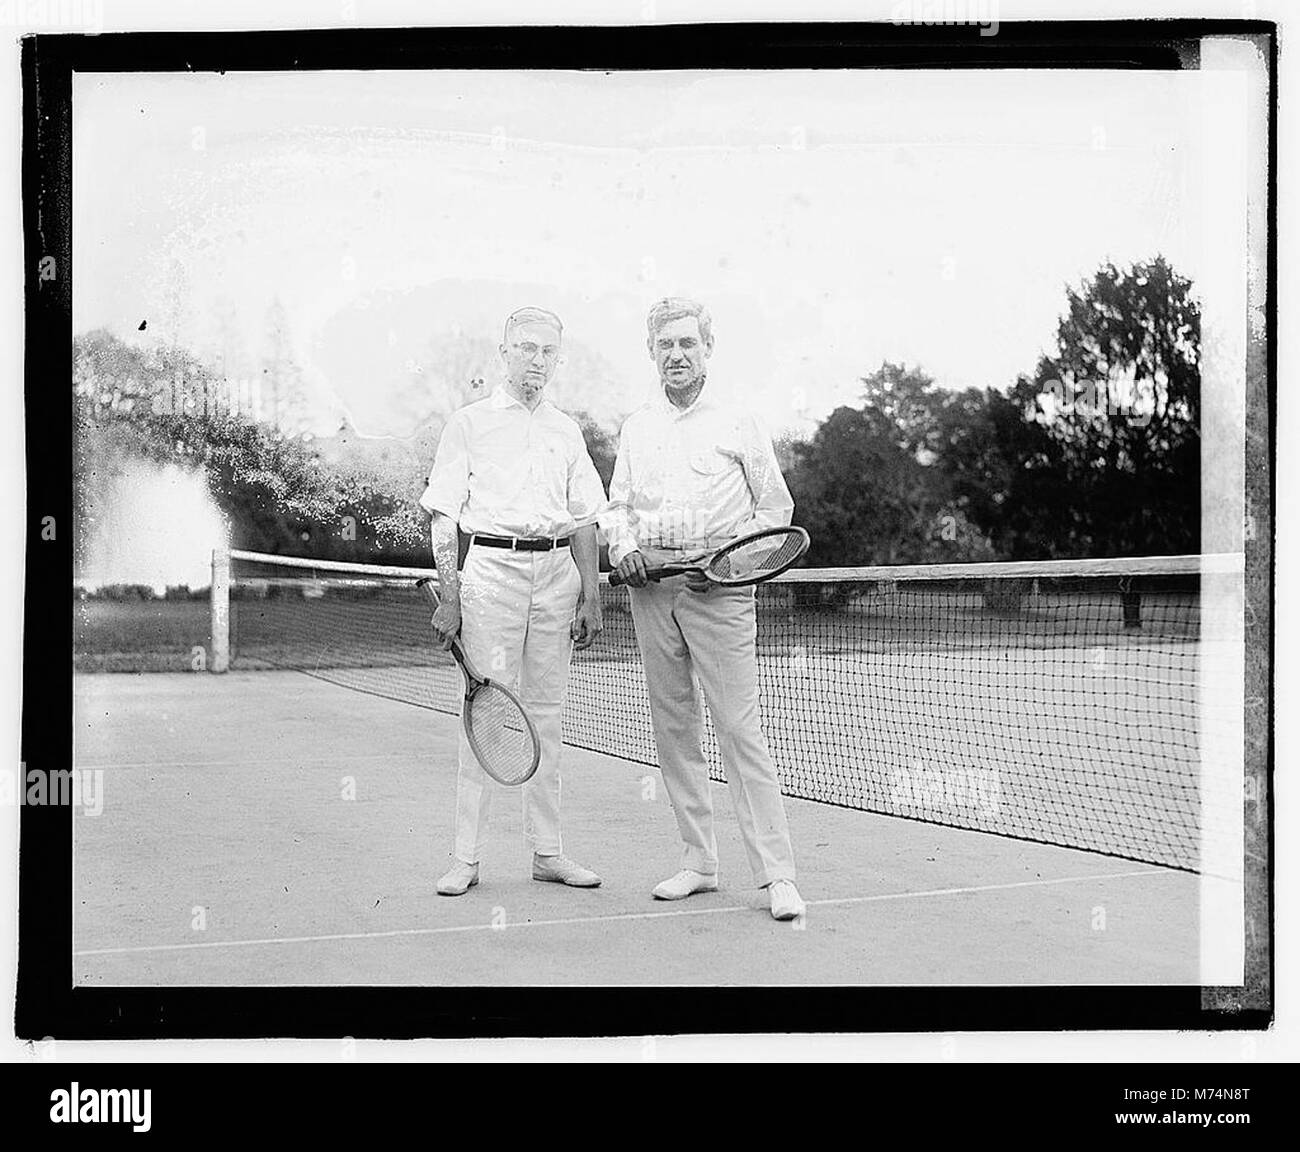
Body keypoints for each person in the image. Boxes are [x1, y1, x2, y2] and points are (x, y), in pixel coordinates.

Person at [605, 297, 805, 921]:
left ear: (708, 350)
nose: (677, 355)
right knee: (673, 730)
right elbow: (618, 509)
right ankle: (699, 861)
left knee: (741, 732)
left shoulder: (740, 420)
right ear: (652, 353)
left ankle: (776, 876)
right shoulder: (637, 427)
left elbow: (775, 511)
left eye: (688, 344)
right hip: (653, 593)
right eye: (665, 345)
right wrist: (626, 547)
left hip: (719, 594)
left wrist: (730, 568)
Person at [421, 306, 605, 896]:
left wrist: (592, 596)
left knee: (546, 718)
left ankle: (548, 853)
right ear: (503, 353)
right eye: (525, 348)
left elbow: (584, 521)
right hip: (489, 576)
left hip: (557, 578)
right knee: (485, 715)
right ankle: (466, 859)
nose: (536, 360)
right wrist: (450, 596)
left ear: (558, 359)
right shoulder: (469, 424)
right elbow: (444, 517)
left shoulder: (566, 430)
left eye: (547, 351)